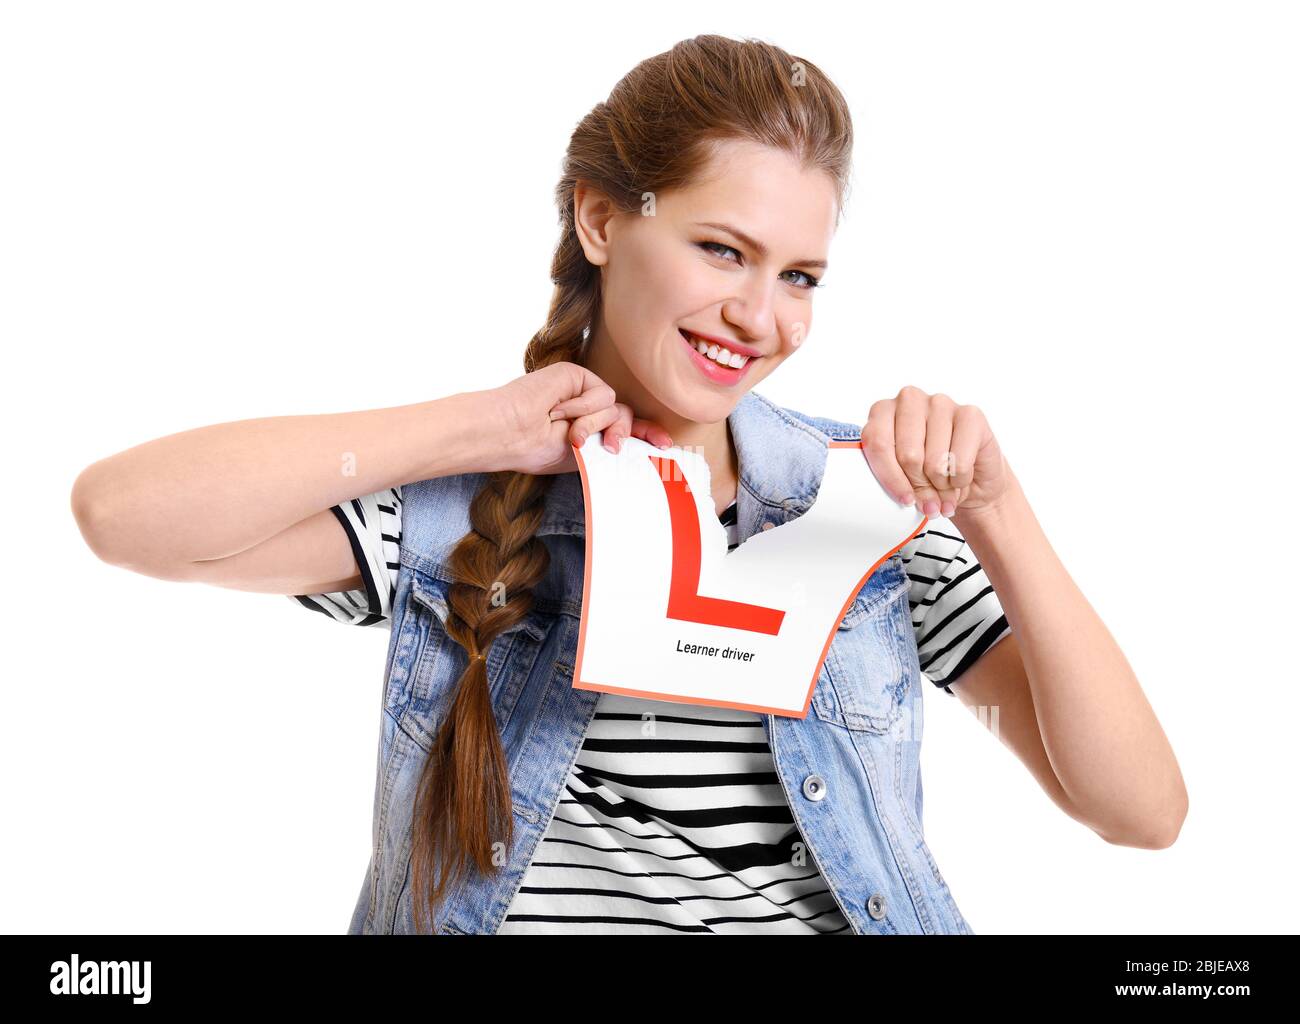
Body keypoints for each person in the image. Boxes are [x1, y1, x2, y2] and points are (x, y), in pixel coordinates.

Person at [71, 34, 1187, 936]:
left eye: (798, 275)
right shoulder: (465, 498)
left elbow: (1139, 810)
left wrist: (994, 507)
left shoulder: (859, 509)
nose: (761, 317)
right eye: (720, 250)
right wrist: (480, 424)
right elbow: (125, 516)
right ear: (602, 218)